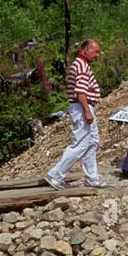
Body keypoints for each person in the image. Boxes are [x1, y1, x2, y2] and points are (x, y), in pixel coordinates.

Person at [44, 39, 106, 189]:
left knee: (92, 142)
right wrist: (86, 111)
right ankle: (55, 175)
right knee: (80, 143)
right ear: (86, 50)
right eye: (95, 51)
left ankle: (92, 177)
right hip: (82, 106)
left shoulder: (79, 64)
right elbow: (80, 91)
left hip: (83, 106)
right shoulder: (82, 66)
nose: (97, 55)